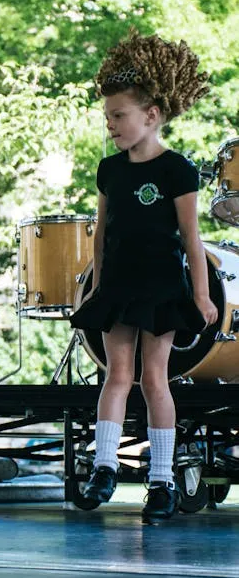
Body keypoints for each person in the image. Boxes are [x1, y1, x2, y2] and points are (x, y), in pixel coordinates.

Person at [70, 29, 216, 524]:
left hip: (160, 287)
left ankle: (161, 481)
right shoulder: (110, 170)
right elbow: (100, 233)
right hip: (118, 286)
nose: (110, 125)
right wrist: (98, 286)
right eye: (108, 117)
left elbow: (191, 238)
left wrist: (200, 293)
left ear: (150, 116)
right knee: (117, 374)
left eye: (118, 116)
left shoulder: (178, 170)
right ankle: (105, 467)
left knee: (155, 378)